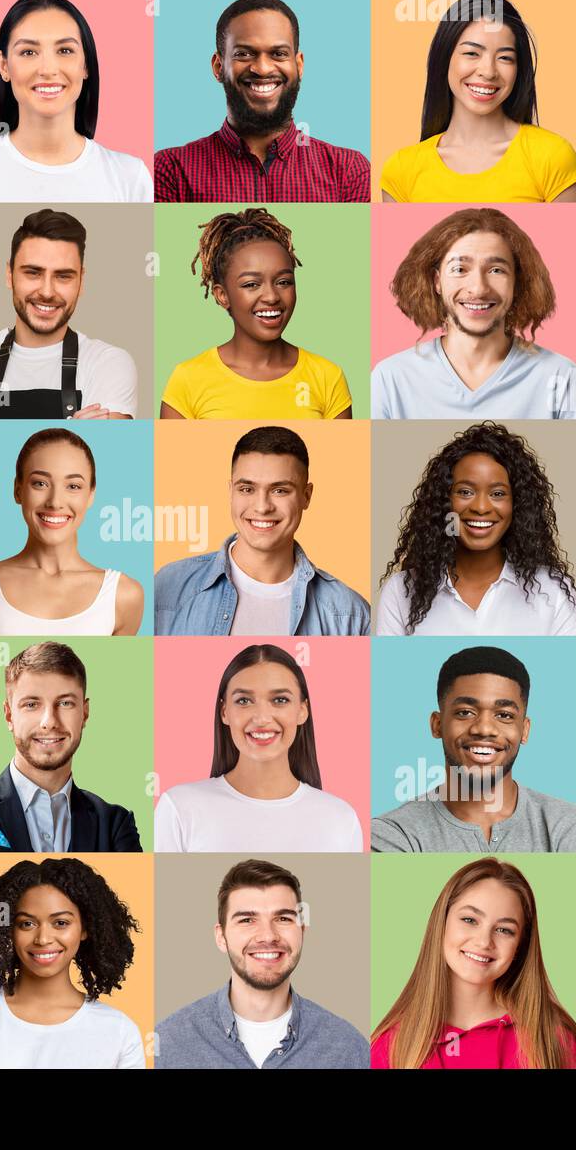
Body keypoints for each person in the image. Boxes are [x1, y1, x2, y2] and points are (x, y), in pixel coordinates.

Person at [154, 426, 371, 636]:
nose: (262, 507)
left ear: (306, 496)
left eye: (280, 490)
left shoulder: (350, 615)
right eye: (247, 489)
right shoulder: (168, 588)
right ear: (231, 492)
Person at [155, 859, 370, 1068]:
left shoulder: (349, 1048)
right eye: (247, 920)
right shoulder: (167, 1043)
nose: (268, 936)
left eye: (283, 919)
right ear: (221, 937)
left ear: (302, 931)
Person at [372, 858, 576, 1068]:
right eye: (469, 920)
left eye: (504, 930)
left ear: (521, 944)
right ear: (441, 923)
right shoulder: (389, 1046)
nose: (484, 942)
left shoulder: (555, 1039)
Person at [371, 207, 576, 419]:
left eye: (496, 270)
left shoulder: (561, 376)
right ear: (437, 281)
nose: (479, 288)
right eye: (459, 269)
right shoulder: (391, 379)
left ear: (517, 282)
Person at [0, 0, 151, 202]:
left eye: (65, 50)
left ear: (85, 64)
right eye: (28, 52)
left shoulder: (130, 177)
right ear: (4, 65)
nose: (48, 70)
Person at [154, 0, 369, 202]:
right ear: (219, 66)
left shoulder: (347, 172)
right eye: (243, 54)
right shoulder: (172, 170)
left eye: (278, 54)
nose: (263, 69)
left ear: (299, 65)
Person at [371, 646, 576, 853]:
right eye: (465, 712)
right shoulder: (394, 834)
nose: (484, 729)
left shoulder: (572, 826)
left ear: (525, 730)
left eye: (504, 715)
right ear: (437, 725)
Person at [378, 422, 576, 636]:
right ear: (444, 502)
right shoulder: (400, 592)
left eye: (498, 494)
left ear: (517, 505)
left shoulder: (553, 591)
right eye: (465, 492)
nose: (481, 508)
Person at [0, 642, 141, 852]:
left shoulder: (115, 825)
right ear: (9, 715)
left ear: (85, 713)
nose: (49, 722)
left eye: (65, 703)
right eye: (31, 705)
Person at [0, 858, 144, 1068]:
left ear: (85, 928)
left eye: (61, 923)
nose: (43, 939)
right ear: (8, 930)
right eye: (27, 924)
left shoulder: (120, 1031)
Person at [155, 644, 362, 852]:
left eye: (280, 700)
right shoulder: (179, 807)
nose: (262, 718)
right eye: (244, 700)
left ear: (302, 710)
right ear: (224, 712)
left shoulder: (340, 819)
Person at [381, 0, 576, 203]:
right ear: (444, 58)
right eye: (472, 53)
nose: (488, 72)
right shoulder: (401, 169)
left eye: (505, 58)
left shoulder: (553, 157)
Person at [0, 209, 138, 420]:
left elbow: (109, 441)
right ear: (9, 275)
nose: (47, 292)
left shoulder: (108, 362)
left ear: (81, 281)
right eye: (33, 273)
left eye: (63, 276)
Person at [0, 429, 143, 636]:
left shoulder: (123, 595)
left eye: (73, 486)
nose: (55, 502)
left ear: (91, 495)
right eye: (40, 483)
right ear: (18, 490)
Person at [160, 209, 353, 420]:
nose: (271, 296)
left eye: (283, 282)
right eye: (251, 284)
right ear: (222, 295)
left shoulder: (327, 377)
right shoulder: (187, 379)